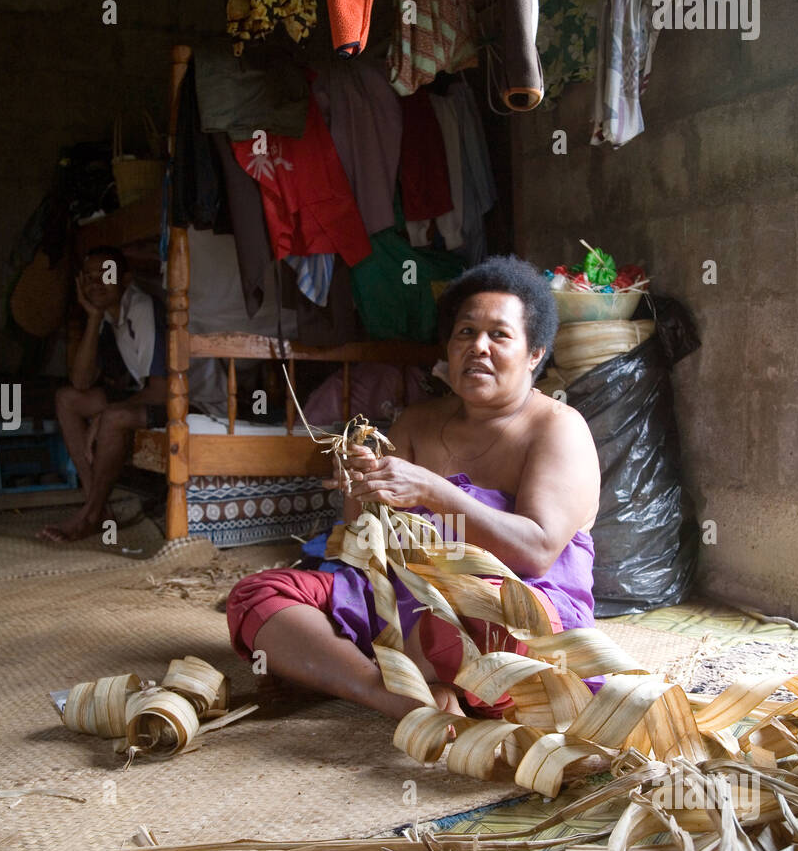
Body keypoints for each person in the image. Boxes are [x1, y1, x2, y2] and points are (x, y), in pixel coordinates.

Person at [226, 255, 601, 719]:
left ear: (535, 354)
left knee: (478, 617)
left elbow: (537, 550)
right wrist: (361, 485)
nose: (478, 347)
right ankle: (387, 693)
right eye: (465, 332)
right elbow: (363, 541)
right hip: (403, 602)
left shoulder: (558, 428)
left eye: (499, 335)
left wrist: (431, 490)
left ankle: (407, 669)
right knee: (258, 597)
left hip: (507, 609)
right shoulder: (418, 421)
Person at [40, 246, 167, 542]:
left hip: (188, 400)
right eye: (89, 277)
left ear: (125, 279)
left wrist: (101, 418)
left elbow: (161, 390)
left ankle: (89, 516)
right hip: (148, 392)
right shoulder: (109, 315)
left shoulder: (141, 308)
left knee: (112, 416)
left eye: (106, 274)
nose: (96, 283)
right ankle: (96, 508)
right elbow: (81, 382)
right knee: (67, 398)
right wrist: (94, 318)